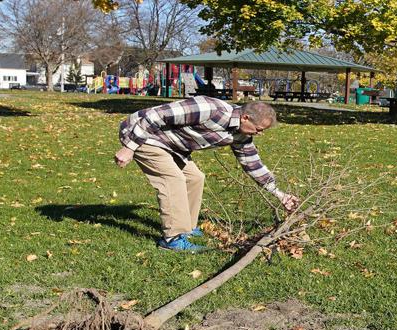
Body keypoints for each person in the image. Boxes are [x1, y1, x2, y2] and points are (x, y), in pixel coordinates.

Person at [113, 97, 300, 252]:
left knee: (195, 177)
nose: (259, 134)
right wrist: (129, 147)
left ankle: (186, 227)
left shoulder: (242, 134)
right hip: (141, 135)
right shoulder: (210, 109)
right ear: (245, 117)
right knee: (173, 179)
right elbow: (155, 115)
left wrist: (280, 195)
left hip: (171, 145)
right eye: (259, 129)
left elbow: (253, 164)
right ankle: (172, 239)